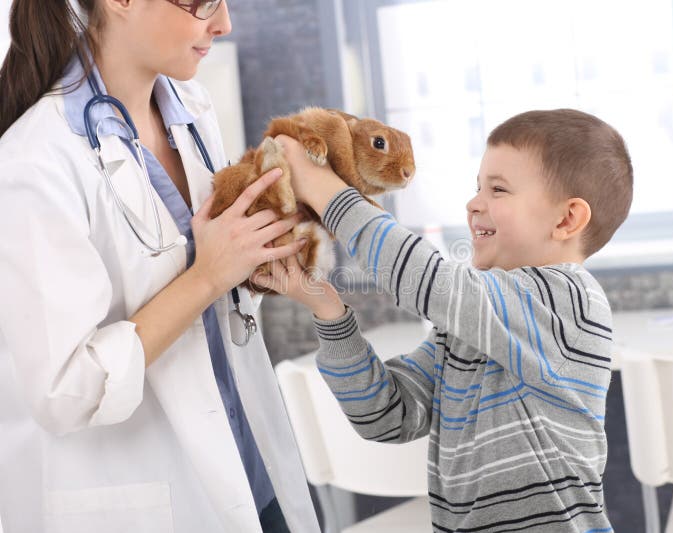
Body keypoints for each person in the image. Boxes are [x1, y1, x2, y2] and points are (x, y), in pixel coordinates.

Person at [0, 1, 320, 532]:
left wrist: (254, 258)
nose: (224, 24)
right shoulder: (33, 162)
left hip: (250, 470)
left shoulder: (191, 107)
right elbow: (65, 389)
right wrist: (209, 275)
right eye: (202, 4)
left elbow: (206, 293)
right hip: (151, 497)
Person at [262, 109, 633, 532]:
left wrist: (322, 189)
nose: (474, 203)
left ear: (566, 219)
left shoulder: (570, 300)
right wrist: (327, 308)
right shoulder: (467, 327)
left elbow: (426, 280)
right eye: (478, 187)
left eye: (498, 189)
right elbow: (385, 416)